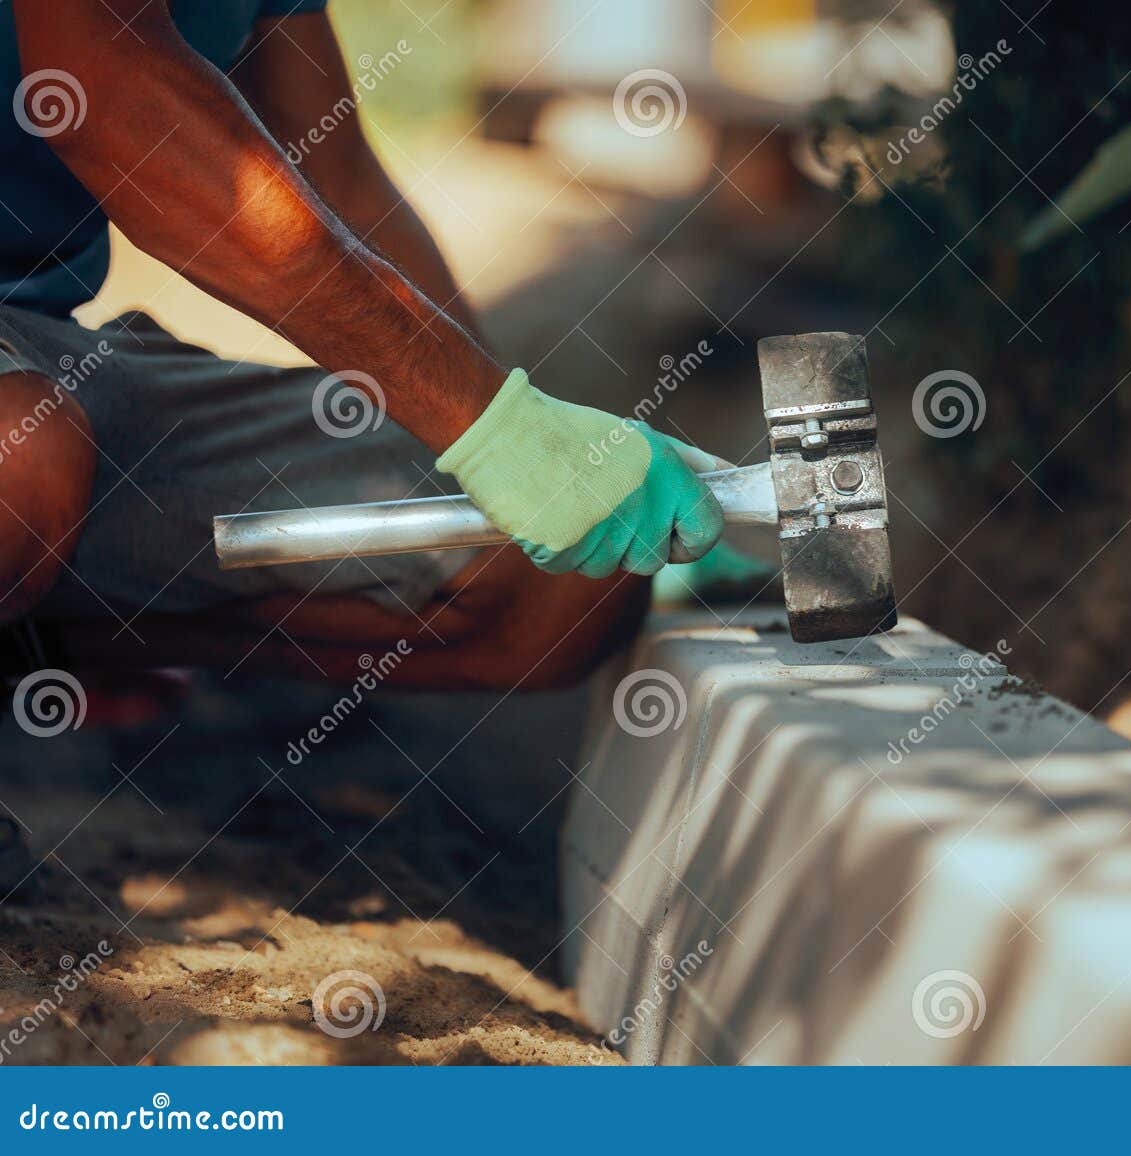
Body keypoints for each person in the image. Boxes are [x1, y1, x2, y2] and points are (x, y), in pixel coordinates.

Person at [0, 1, 725, 692]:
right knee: (23, 460)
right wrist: (493, 428)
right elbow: (107, 96)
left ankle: (46, 646)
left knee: (560, 582)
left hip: (45, 342)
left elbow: (339, 181)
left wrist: (526, 446)